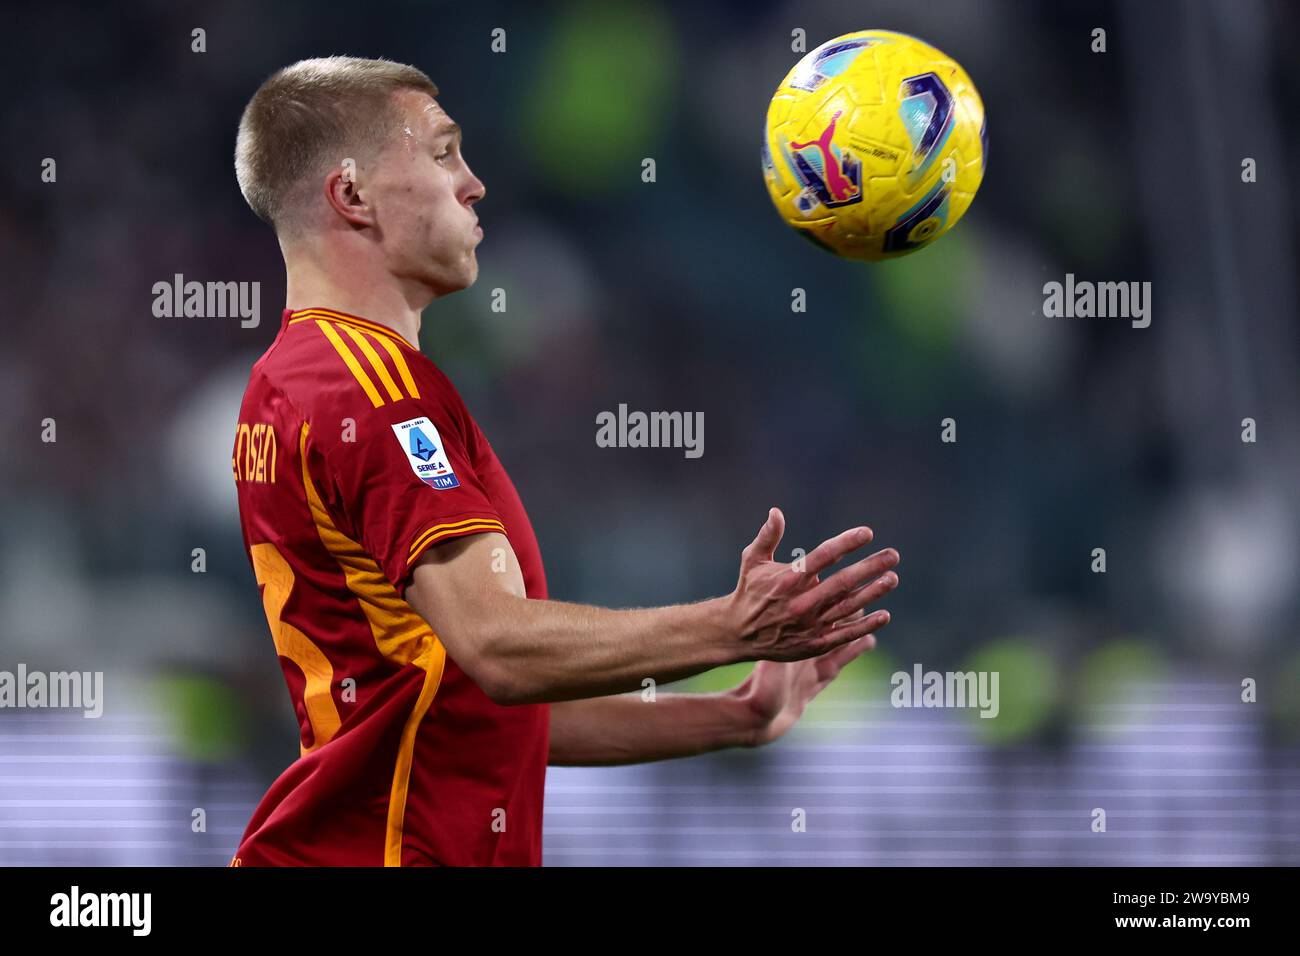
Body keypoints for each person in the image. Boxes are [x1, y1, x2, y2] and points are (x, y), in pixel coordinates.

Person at [228, 56, 900, 866]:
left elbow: (470, 706)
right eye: (443, 154)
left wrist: (736, 715)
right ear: (352, 195)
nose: (473, 185)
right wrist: (731, 626)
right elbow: (499, 649)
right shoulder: (366, 388)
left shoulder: (300, 376)